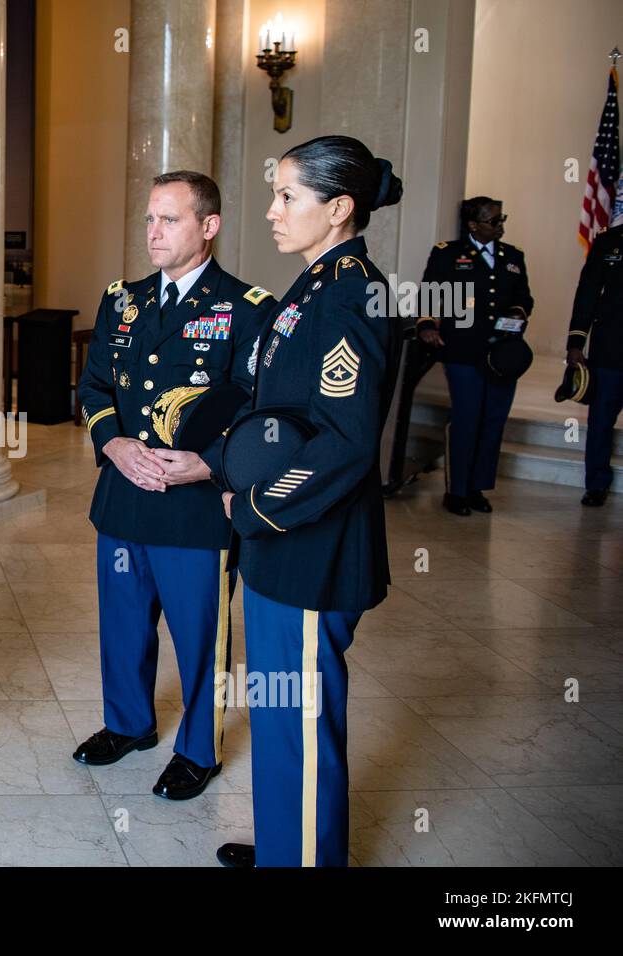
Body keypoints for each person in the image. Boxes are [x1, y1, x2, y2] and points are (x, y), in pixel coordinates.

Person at [217, 135, 402, 867]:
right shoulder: (315, 284)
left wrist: (256, 509)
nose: (271, 210)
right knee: (277, 713)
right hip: (281, 542)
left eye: (288, 195)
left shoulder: (353, 291)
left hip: (308, 544)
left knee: (297, 715)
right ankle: (284, 850)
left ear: (339, 208)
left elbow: (345, 440)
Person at [75, 171, 273, 800]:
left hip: (195, 505)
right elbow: (94, 387)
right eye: (149, 219)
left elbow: (257, 409)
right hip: (126, 492)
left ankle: (199, 748)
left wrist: (210, 463)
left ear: (208, 226)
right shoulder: (122, 300)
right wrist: (113, 443)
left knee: (199, 636)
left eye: (169, 220)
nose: (152, 232)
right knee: (124, 624)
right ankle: (128, 724)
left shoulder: (247, 309)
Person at [416, 197, 533, 515]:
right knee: (467, 418)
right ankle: (457, 491)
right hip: (463, 351)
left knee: (494, 419)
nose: (500, 225)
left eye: (501, 219)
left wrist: (518, 311)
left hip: (503, 353)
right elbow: (431, 291)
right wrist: (427, 323)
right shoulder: (448, 253)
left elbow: (524, 296)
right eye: (493, 221)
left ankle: (478, 488)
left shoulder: (513, 256)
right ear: (473, 225)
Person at [567, 222, 623, 506]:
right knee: (601, 420)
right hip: (611, 349)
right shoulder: (608, 241)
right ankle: (596, 483)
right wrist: (576, 342)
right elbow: (588, 291)